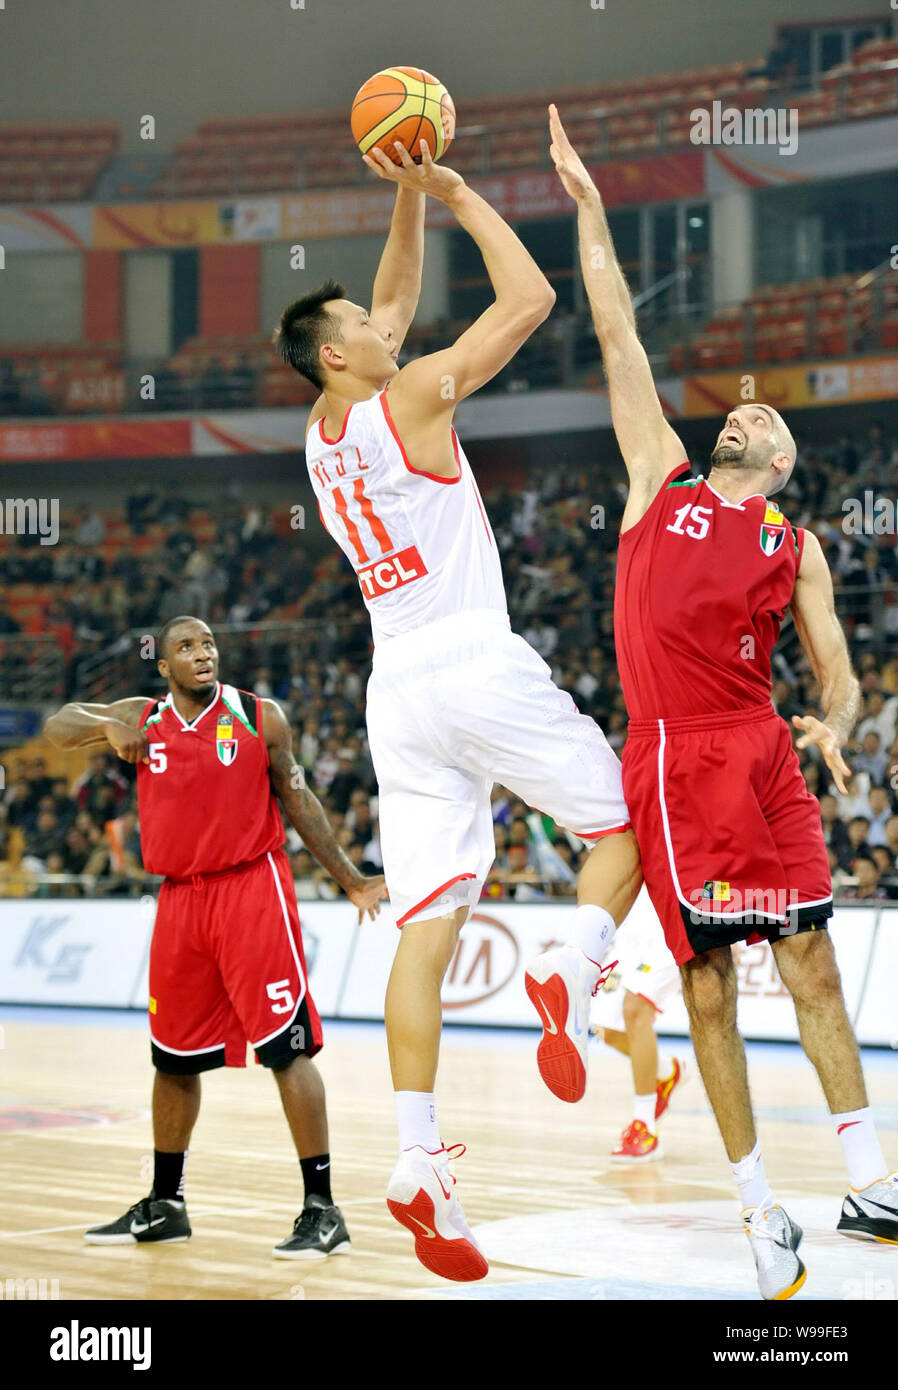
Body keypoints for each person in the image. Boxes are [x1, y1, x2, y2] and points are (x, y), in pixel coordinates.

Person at [275, 140, 641, 1283]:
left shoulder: (324, 435)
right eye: (368, 328)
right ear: (344, 355)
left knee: (422, 927)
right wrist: (458, 190)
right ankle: (570, 968)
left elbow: (390, 296)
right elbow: (529, 298)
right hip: (474, 659)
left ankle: (417, 1154)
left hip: (397, 692)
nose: (393, 325)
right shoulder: (418, 394)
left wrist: (400, 189)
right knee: (626, 822)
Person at [548, 104, 897, 1300]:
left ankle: (866, 1181)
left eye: (768, 416)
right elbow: (613, 330)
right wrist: (593, 211)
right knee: (705, 984)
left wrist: (837, 724)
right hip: (676, 752)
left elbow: (836, 665)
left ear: (786, 459)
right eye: (741, 409)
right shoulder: (658, 475)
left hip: (762, 753)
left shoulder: (792, 540)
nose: (744, 409)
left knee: (812, 960)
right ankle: (758, 1208)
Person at [45, 615, 385, 1260]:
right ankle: (165, 1203)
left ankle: (323, 1209)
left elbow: (298, 798)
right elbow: (56, 723)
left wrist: (350, 878)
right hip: (178, 899)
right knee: (171, 1059)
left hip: (251, 888)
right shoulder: (142, 717)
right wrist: (103, 726)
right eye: (185, 648)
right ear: (164, 667)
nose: (202, 654)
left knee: (288, 1050)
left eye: (207, 644)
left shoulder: (260, 717)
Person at [589, 890, 687, 1161]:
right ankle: (668, 1069)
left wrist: (724, 921)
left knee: (635, 1008)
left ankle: (644, 1127)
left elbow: (716, 863)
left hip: (672, 928)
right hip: (630, 934)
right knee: (604, 1029)